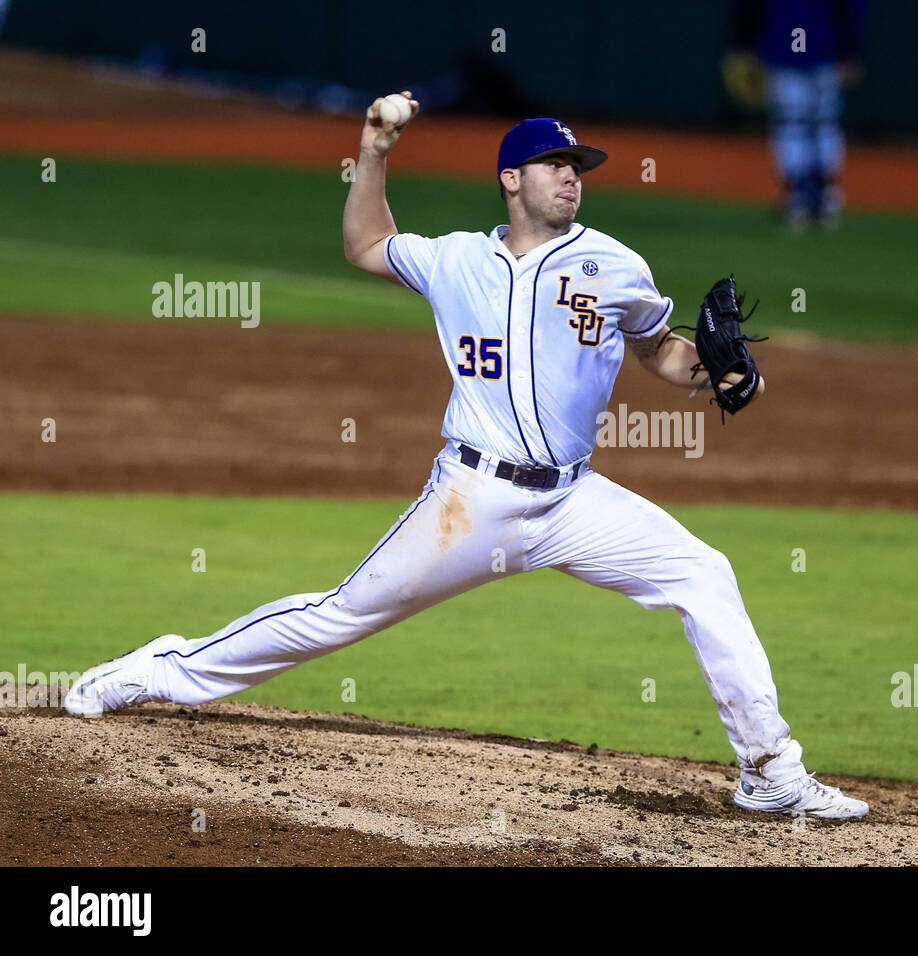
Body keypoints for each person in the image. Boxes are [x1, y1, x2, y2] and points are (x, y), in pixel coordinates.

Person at [64, 95, 869, 820]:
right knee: (342, 614)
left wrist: (717, 373)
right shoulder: (455, 260)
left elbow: (659, 349)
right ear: (511, 180)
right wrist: (375, 148)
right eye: (556, 165)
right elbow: (366, 244)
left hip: (573, 504)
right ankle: (159, 668)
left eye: (578, 167)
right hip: (471, 501)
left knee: (704, 575)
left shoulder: (615, 264)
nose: (572, 178)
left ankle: (771, 773)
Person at [729, 0, 866, 230]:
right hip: (823, 44)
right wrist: (850, 49)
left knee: (792, 124)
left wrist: (746, 43)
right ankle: (824, 197)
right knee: (823, 123)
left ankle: (800, 198)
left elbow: (749, 8)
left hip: (784, 43)